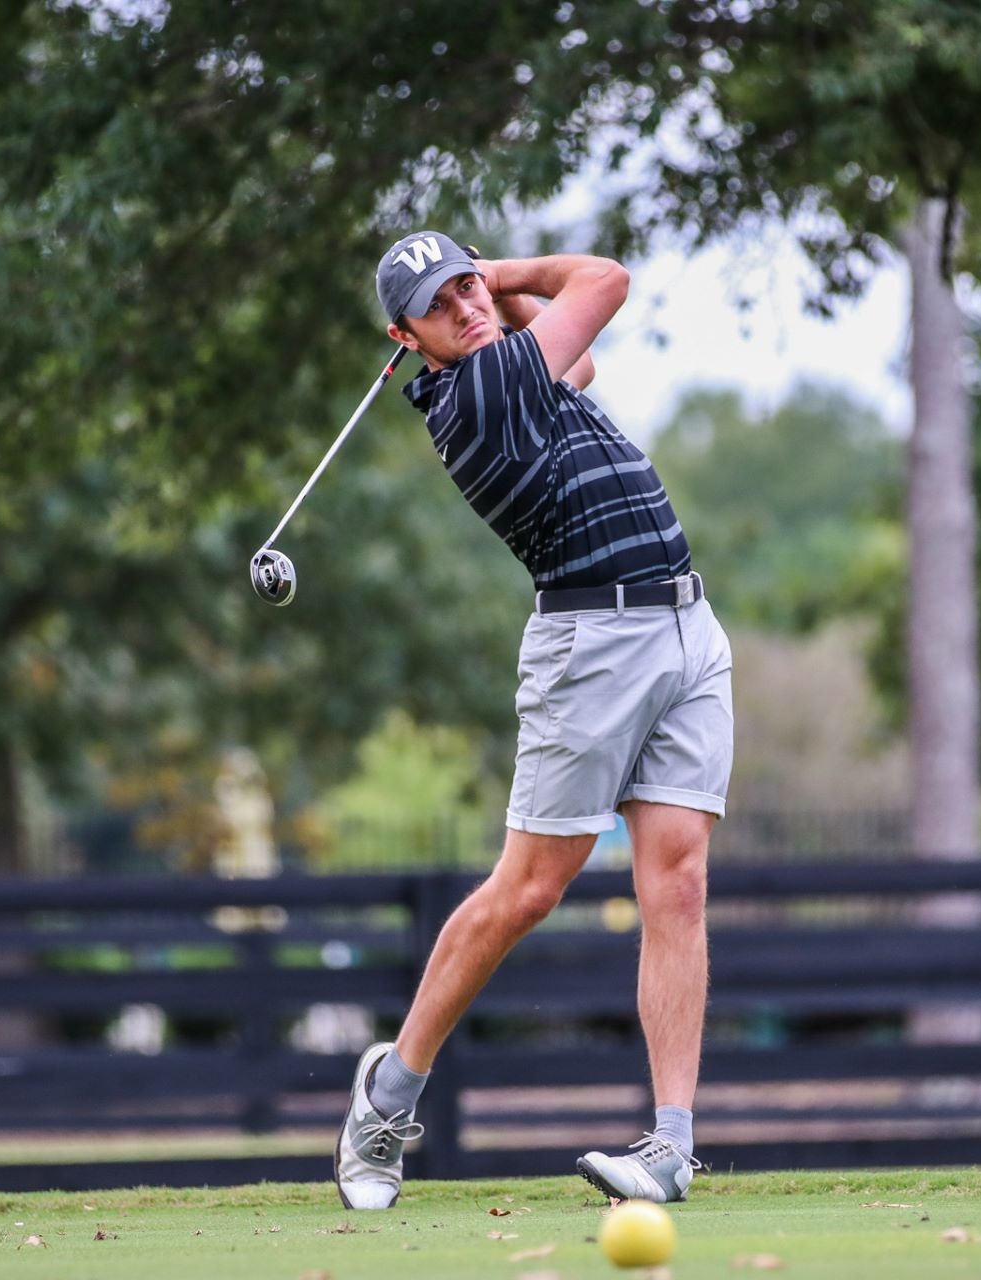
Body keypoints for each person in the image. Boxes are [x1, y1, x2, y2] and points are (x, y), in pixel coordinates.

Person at [333, 231, 734, 1211]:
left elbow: (579, 353)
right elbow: (603, 280)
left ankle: (672, 1147)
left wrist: (485, 285)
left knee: (676, 886)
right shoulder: (477, 393)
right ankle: (387, 1097)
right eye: (442, 301)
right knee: (527, 889)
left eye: (469, 283)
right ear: (408, 337)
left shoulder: (519, 369)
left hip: (686, 625)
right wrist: (508, 274)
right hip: (589, 647)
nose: (468, 304)